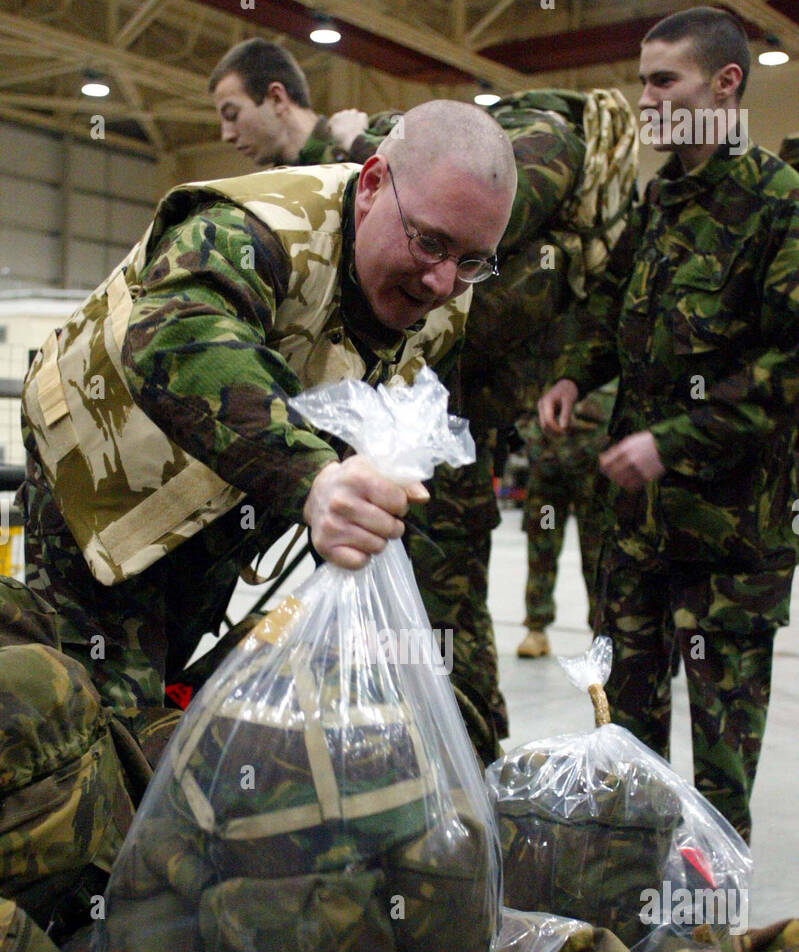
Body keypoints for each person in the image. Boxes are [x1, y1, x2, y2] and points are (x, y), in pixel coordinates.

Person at [20, 103, 516, 764]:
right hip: (99, 489)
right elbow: (180, 339)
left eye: (472, 260)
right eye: (428, 242)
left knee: (169, 701)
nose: (442, 282)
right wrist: (316, 481)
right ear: (370, 185)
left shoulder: (444, 300)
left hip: (217, 505)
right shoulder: (252, 229)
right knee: (98, 735)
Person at [539, 7, 799, 842]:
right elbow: (612, 303)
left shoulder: (779, 206)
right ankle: (629, 946)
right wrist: (575, 372)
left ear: (724, 84)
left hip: (729, 554)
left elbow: (782, 373)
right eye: (640, 79)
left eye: (663, 81)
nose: (644, 98)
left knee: (717, 788)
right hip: (638, 547)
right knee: (624, 757)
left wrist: (668, 444)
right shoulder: (659, 201)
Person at [305, 91, 638, 741]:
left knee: (447, 636)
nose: (443, 275)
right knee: (382, 633)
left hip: (447, 454)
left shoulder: (547, 146)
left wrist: (348, 139)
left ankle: (465, 766)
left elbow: (464, 225)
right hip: (408, 434)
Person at [516, 382, 615, 658]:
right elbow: (523, 403)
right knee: (542, 548)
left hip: (593, 472)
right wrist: (533, 437)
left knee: (596, 552)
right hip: (549, 469)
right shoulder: (549, 357)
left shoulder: (600, 360)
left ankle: (601, 632)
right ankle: (536, 628)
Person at [210, 37, 368, 169]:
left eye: (232, 114)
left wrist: (359, 146)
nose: (226, 135)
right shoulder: (268, 197)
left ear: (276, 99)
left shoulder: (374, 137)